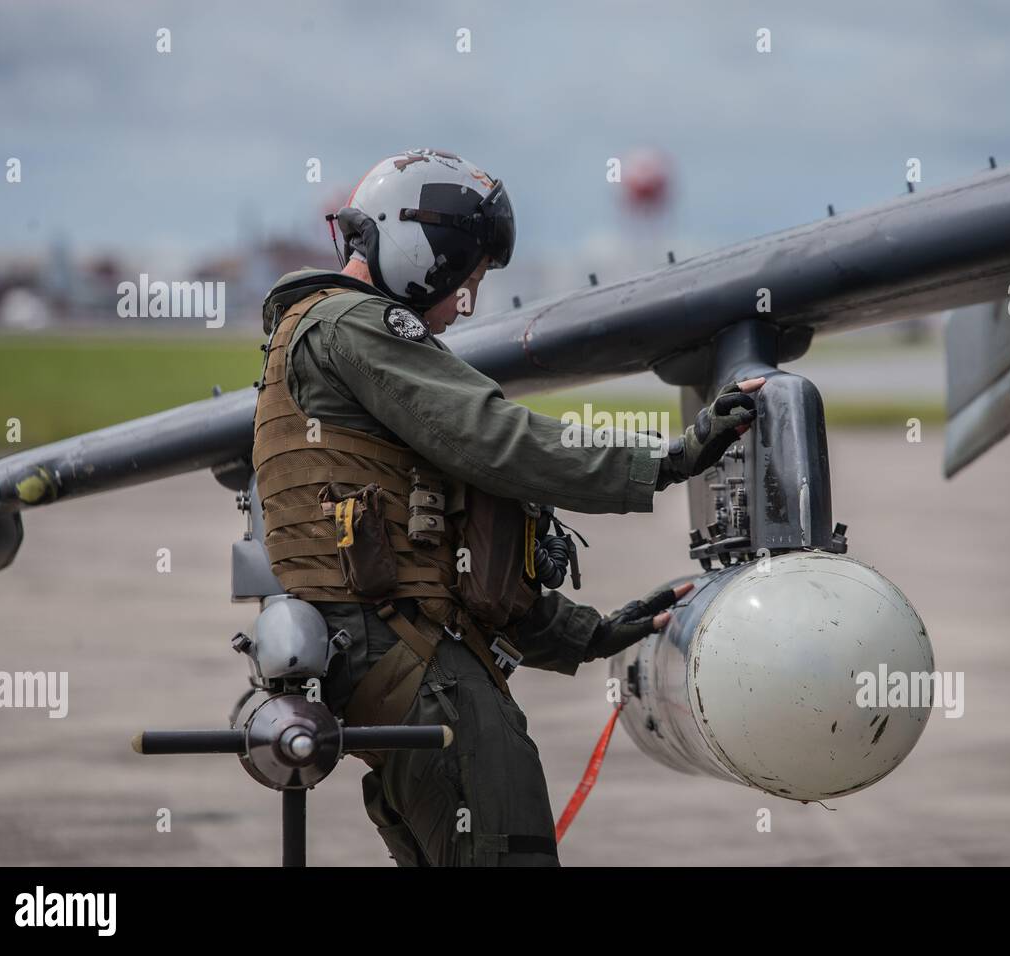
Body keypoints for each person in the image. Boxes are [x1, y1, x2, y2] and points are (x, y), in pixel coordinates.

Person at [252, 148, 763, 866]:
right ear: (426, 251)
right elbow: (493, 437)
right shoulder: (353, 326)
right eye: (471, 273)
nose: (471, 299)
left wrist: (585, 634)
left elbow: (434, 548)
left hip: (396, 661)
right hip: (417, 670)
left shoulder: (317, 338)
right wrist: (667, 460)